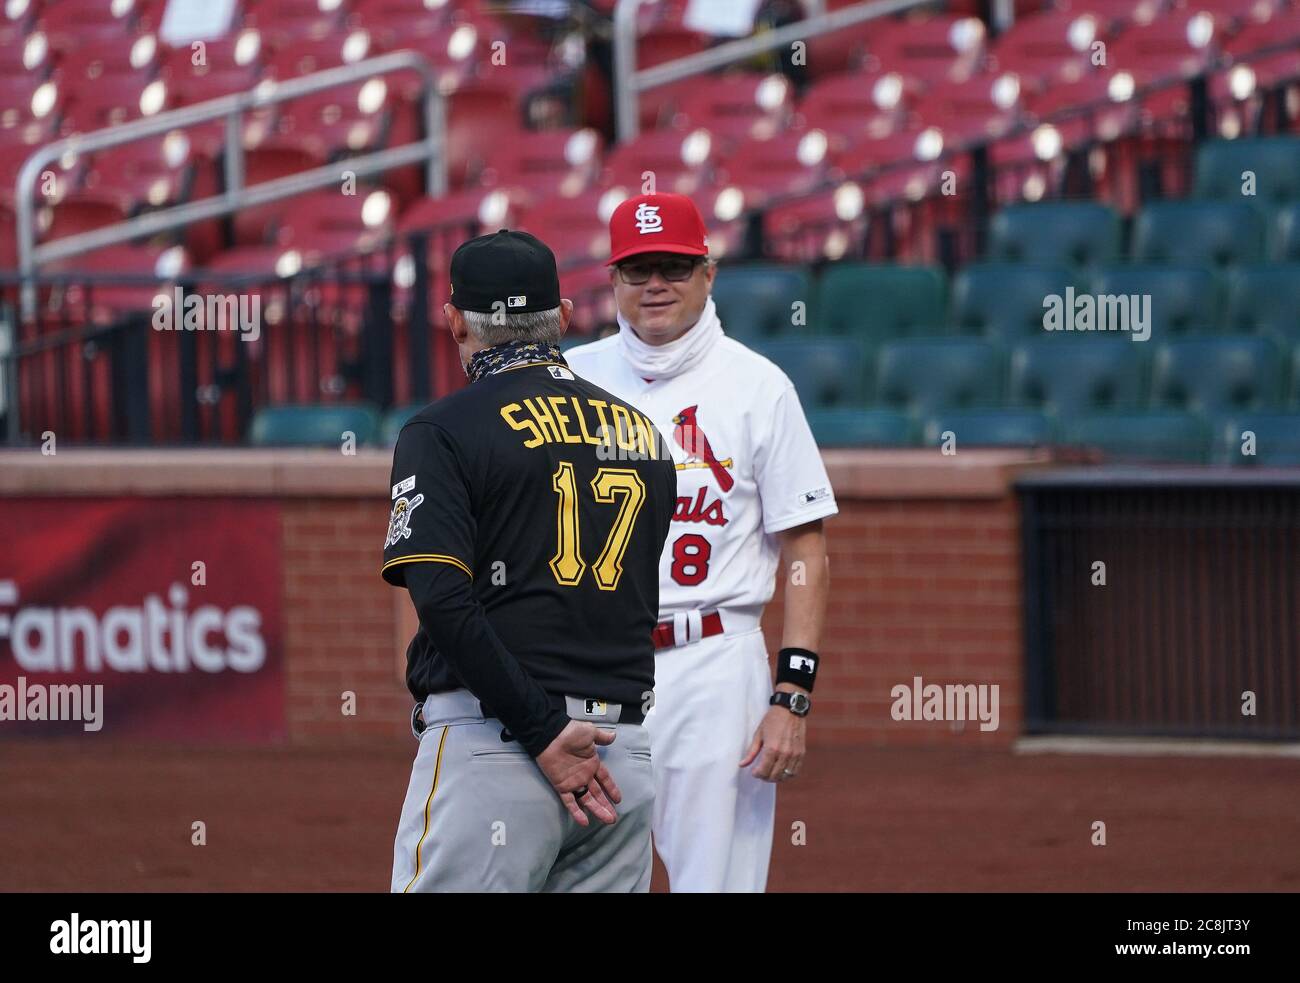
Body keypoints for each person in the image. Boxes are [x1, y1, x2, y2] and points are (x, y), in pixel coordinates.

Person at [383, 229, 677, 892]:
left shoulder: (443, 430)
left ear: (455, 322)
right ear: (565, 317)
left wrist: (542, 730)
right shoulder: (643, 434)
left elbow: (441, 598)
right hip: (619, 755)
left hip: (505, 746)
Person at [565, 193, 836, 892]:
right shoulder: (572, 380)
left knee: (714, 883)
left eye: (675, 267)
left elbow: (805, 547)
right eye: (638, 268)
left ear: (709, 273)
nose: (656, 284)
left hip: (714, 663)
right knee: (578, 877)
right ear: (613, 279)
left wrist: (793, 693)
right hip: (590, 666)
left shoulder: (757, 387)